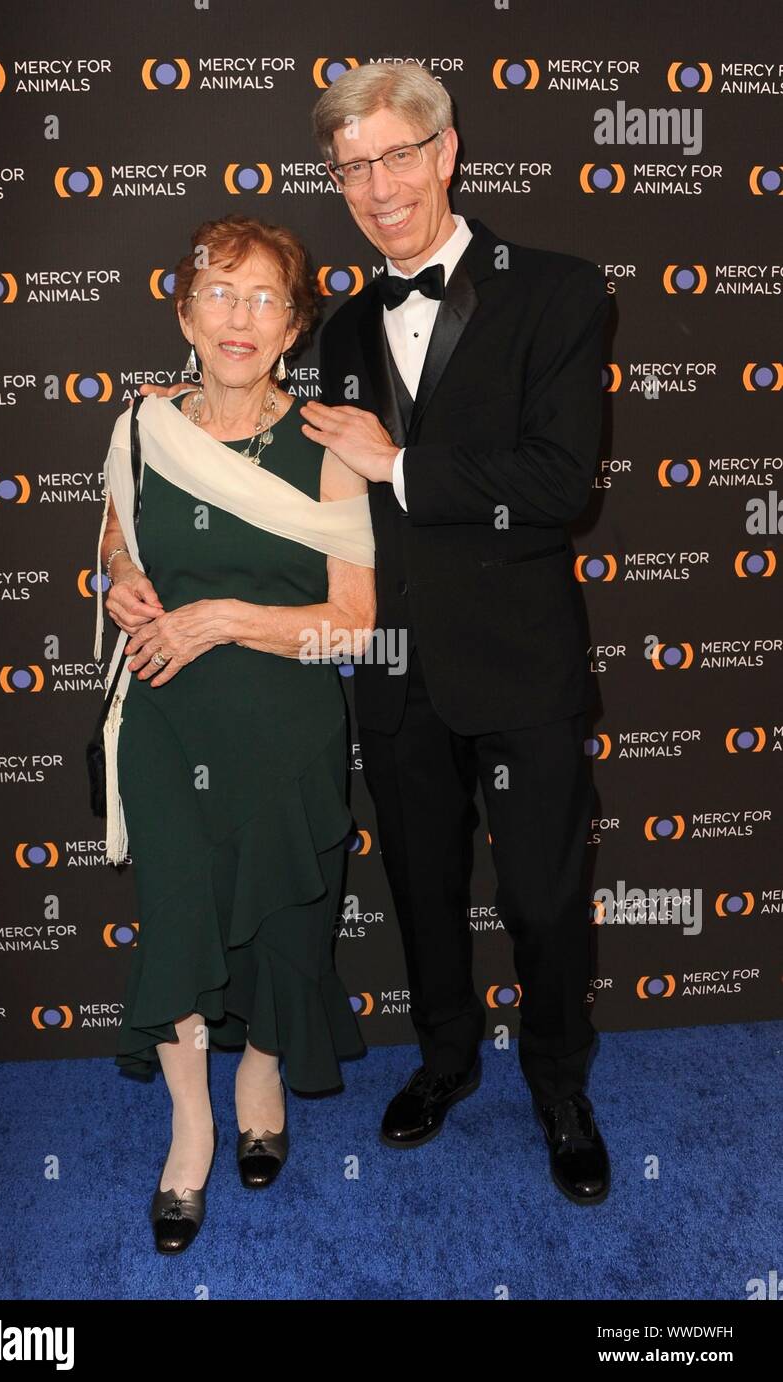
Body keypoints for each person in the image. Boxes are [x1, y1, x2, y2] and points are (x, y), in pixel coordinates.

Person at [299, 62, 612, 1204]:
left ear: (444, 153)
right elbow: (322, 510)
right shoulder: (339, 328)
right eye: (350, 167)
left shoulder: (560, 292)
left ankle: (558, 1085)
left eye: (393, 156)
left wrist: (402, 464)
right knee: (422, 890)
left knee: (538, 896)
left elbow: (558, 478)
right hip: (392, 668)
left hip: (518, 659)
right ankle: (441, 1061)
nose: (375, 187)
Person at [93, 213, 375, 1254]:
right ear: (184, 312)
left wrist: (222, 618)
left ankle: (260, 1074)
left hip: (287, 725)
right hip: (166, 718)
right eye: (219, 292)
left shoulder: (325, 445)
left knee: (281, 919)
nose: (239, 316)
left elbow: (355, 623)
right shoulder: (138, 428)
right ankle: (192, 1125)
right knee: (177, 912)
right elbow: (117, 548)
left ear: (295, 324)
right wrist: (122, 586)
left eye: (265, 297)